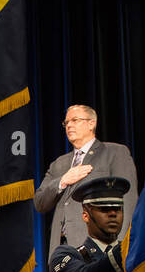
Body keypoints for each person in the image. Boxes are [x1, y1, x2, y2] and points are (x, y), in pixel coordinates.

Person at [35, 104, 139, 249]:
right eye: (66, 122)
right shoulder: (59, 164)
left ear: (92, 123)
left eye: (75, 120)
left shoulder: (114, 152)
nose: (69, 125)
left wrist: (120, 245)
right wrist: (62, 181)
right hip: (61, 249)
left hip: (99, 246)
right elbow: (39, 202)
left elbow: (128, 200)